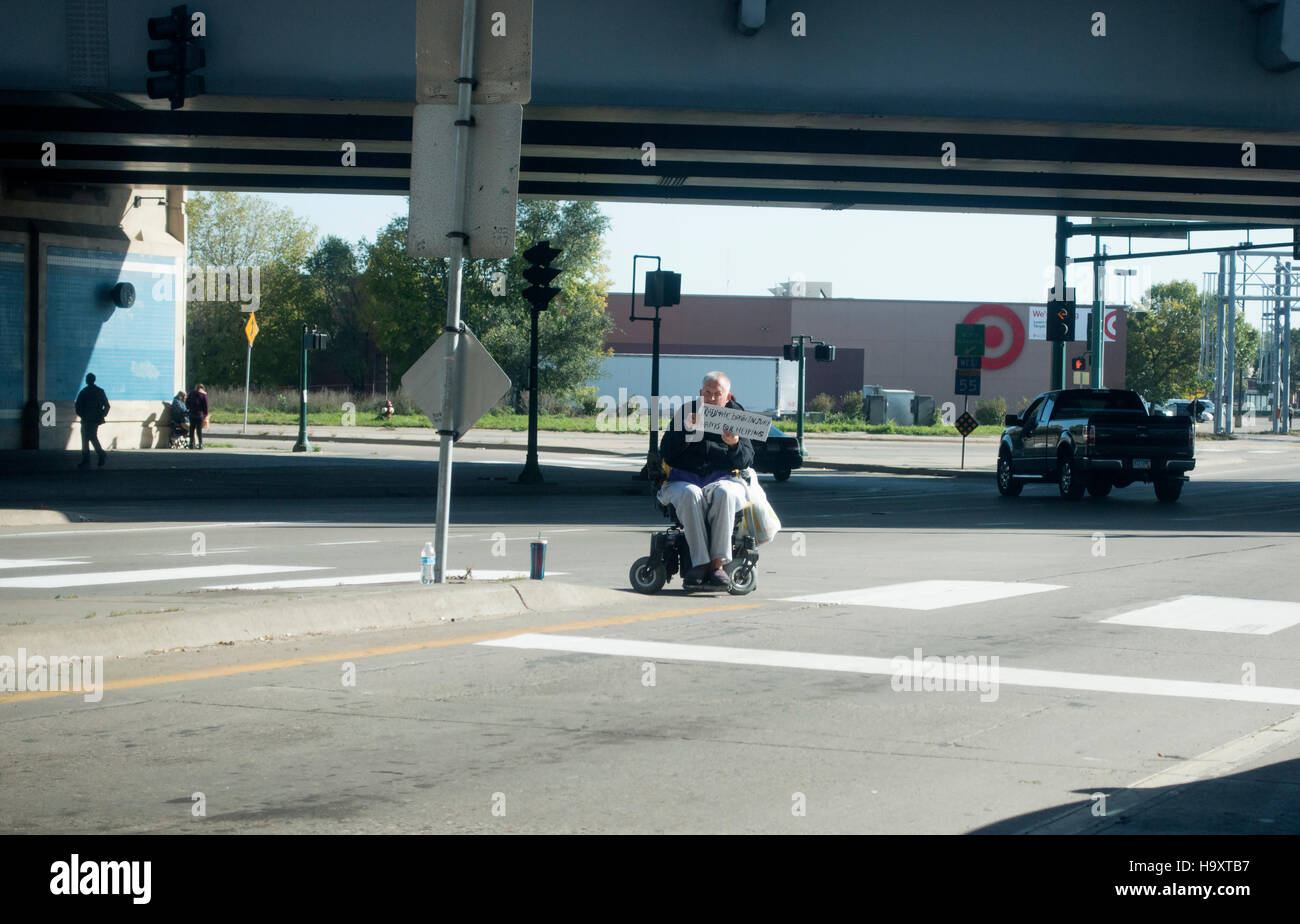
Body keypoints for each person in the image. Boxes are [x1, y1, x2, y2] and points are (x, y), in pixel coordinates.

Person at [656, 371, 754, 589]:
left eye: (716, 394)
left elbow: (747, 459)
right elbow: (667, 453)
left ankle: (717, 565)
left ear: (727, 397)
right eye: (707, 393)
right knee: (691, 494)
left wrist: (734, 444)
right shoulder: (687, 412)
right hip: (684, 479)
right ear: (700, 393)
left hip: (723, 479)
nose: (710, 398)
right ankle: (700, 563)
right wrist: (685, 432)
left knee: (725, 493)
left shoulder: (736, 414)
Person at [74, 372, 110, 469]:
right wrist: (101, 415)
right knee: (92, 436)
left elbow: (78, 406)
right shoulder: (100, 391)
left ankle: (88, 458)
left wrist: (82, 415)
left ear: (87, 380)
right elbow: (107, 405)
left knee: (86, 439)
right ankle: (100, 454)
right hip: (95, 419)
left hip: (86, 419)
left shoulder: (84, 392)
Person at [186, 383, 209, 449]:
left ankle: (191, 444)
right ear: (203, 388)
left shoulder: (191, 393)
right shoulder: (204, 395)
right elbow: (206, 406)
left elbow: (187, 402)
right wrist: (206, 414)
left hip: (192, 414)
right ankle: (200, 444)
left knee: (191, 429)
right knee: (199, 430)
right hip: (200, 415)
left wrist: (189, 408)